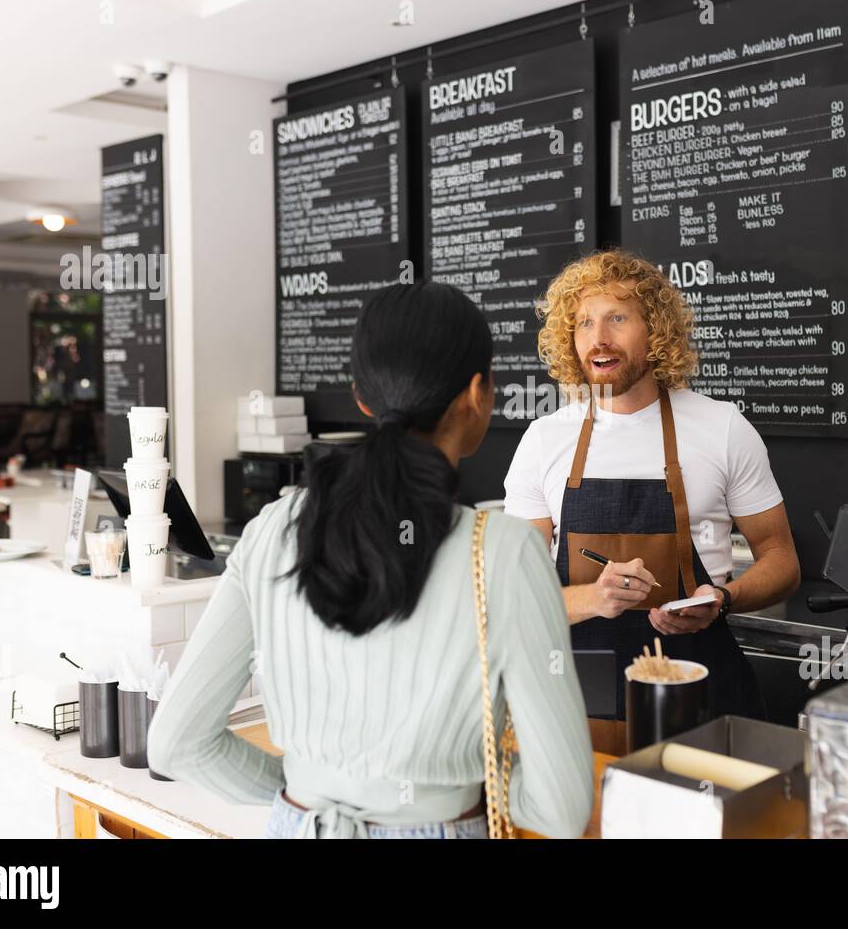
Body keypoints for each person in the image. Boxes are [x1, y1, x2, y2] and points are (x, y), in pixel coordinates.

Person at [149, 281, 593, 839]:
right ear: (479, 394)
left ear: (361, 397)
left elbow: (176, 744)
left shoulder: (269, 532)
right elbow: (561, 808)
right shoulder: (505, 552)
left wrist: (310, 797)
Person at [504, 250, 801, 726]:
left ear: (656, 330)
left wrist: (723, 600)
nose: (598, 339)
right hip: (578, 699)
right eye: (583, 323)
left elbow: (781, 560)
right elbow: (511, 594)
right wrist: (594, 599)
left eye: (617, 318)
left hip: (699, 688)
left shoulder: (722, 428)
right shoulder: (544, 440)